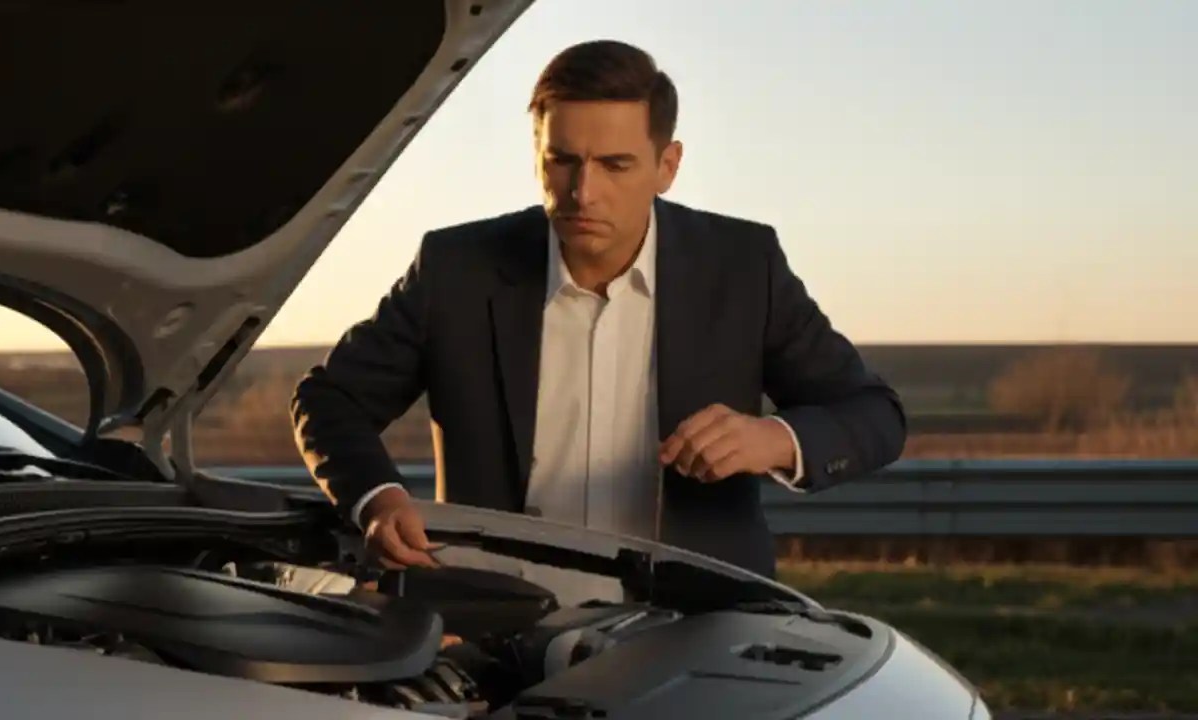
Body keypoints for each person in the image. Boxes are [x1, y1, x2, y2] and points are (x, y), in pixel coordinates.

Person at [291, 39, 905, 580]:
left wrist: (772, 438)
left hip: (694, 625)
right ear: (537, 154)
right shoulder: (455, 269)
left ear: (668, 166)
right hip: (493, 627)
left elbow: (875, 414)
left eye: (615, 165)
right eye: (562, 161)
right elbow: (329, 399)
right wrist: (377, 497)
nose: (583, 193)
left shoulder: (744, 266)